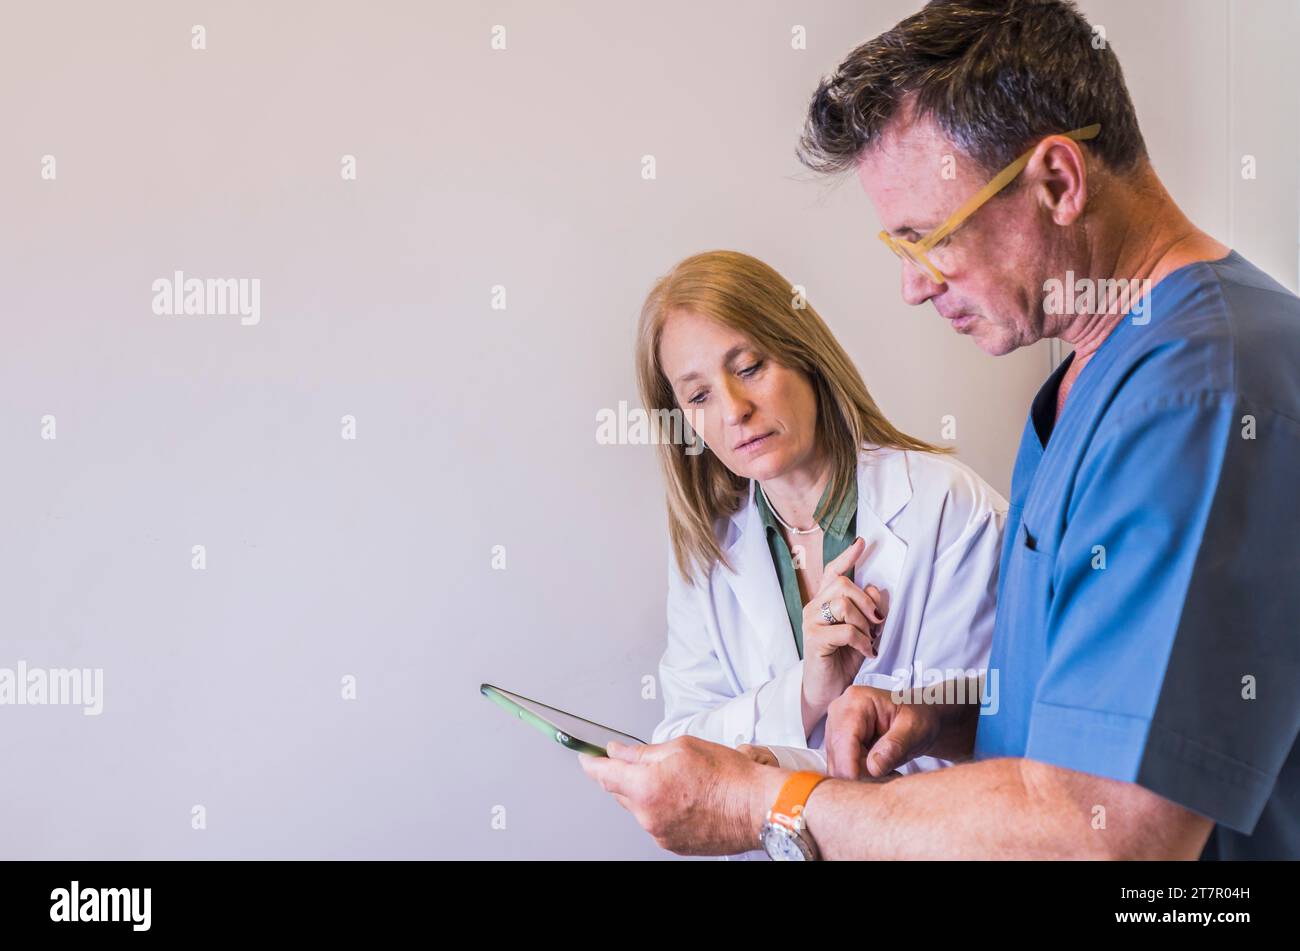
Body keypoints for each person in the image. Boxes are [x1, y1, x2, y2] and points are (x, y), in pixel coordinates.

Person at [581, 0, 1300, 860]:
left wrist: (769, 802)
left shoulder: (1197, 395)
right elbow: (1100, 721)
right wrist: (948, 720)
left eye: (928, 239)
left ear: (1059, 182)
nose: (913, 288)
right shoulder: (1089, 376)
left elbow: (1111, 836)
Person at [635, 250, 1006, 780]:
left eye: (749, 368)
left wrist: (769, 773)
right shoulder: (710, 548)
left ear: (804, 355)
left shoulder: (945, 507)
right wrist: (808, 694)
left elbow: (977, 747)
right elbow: (678, 746)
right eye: (699, 395)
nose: (733, 409)